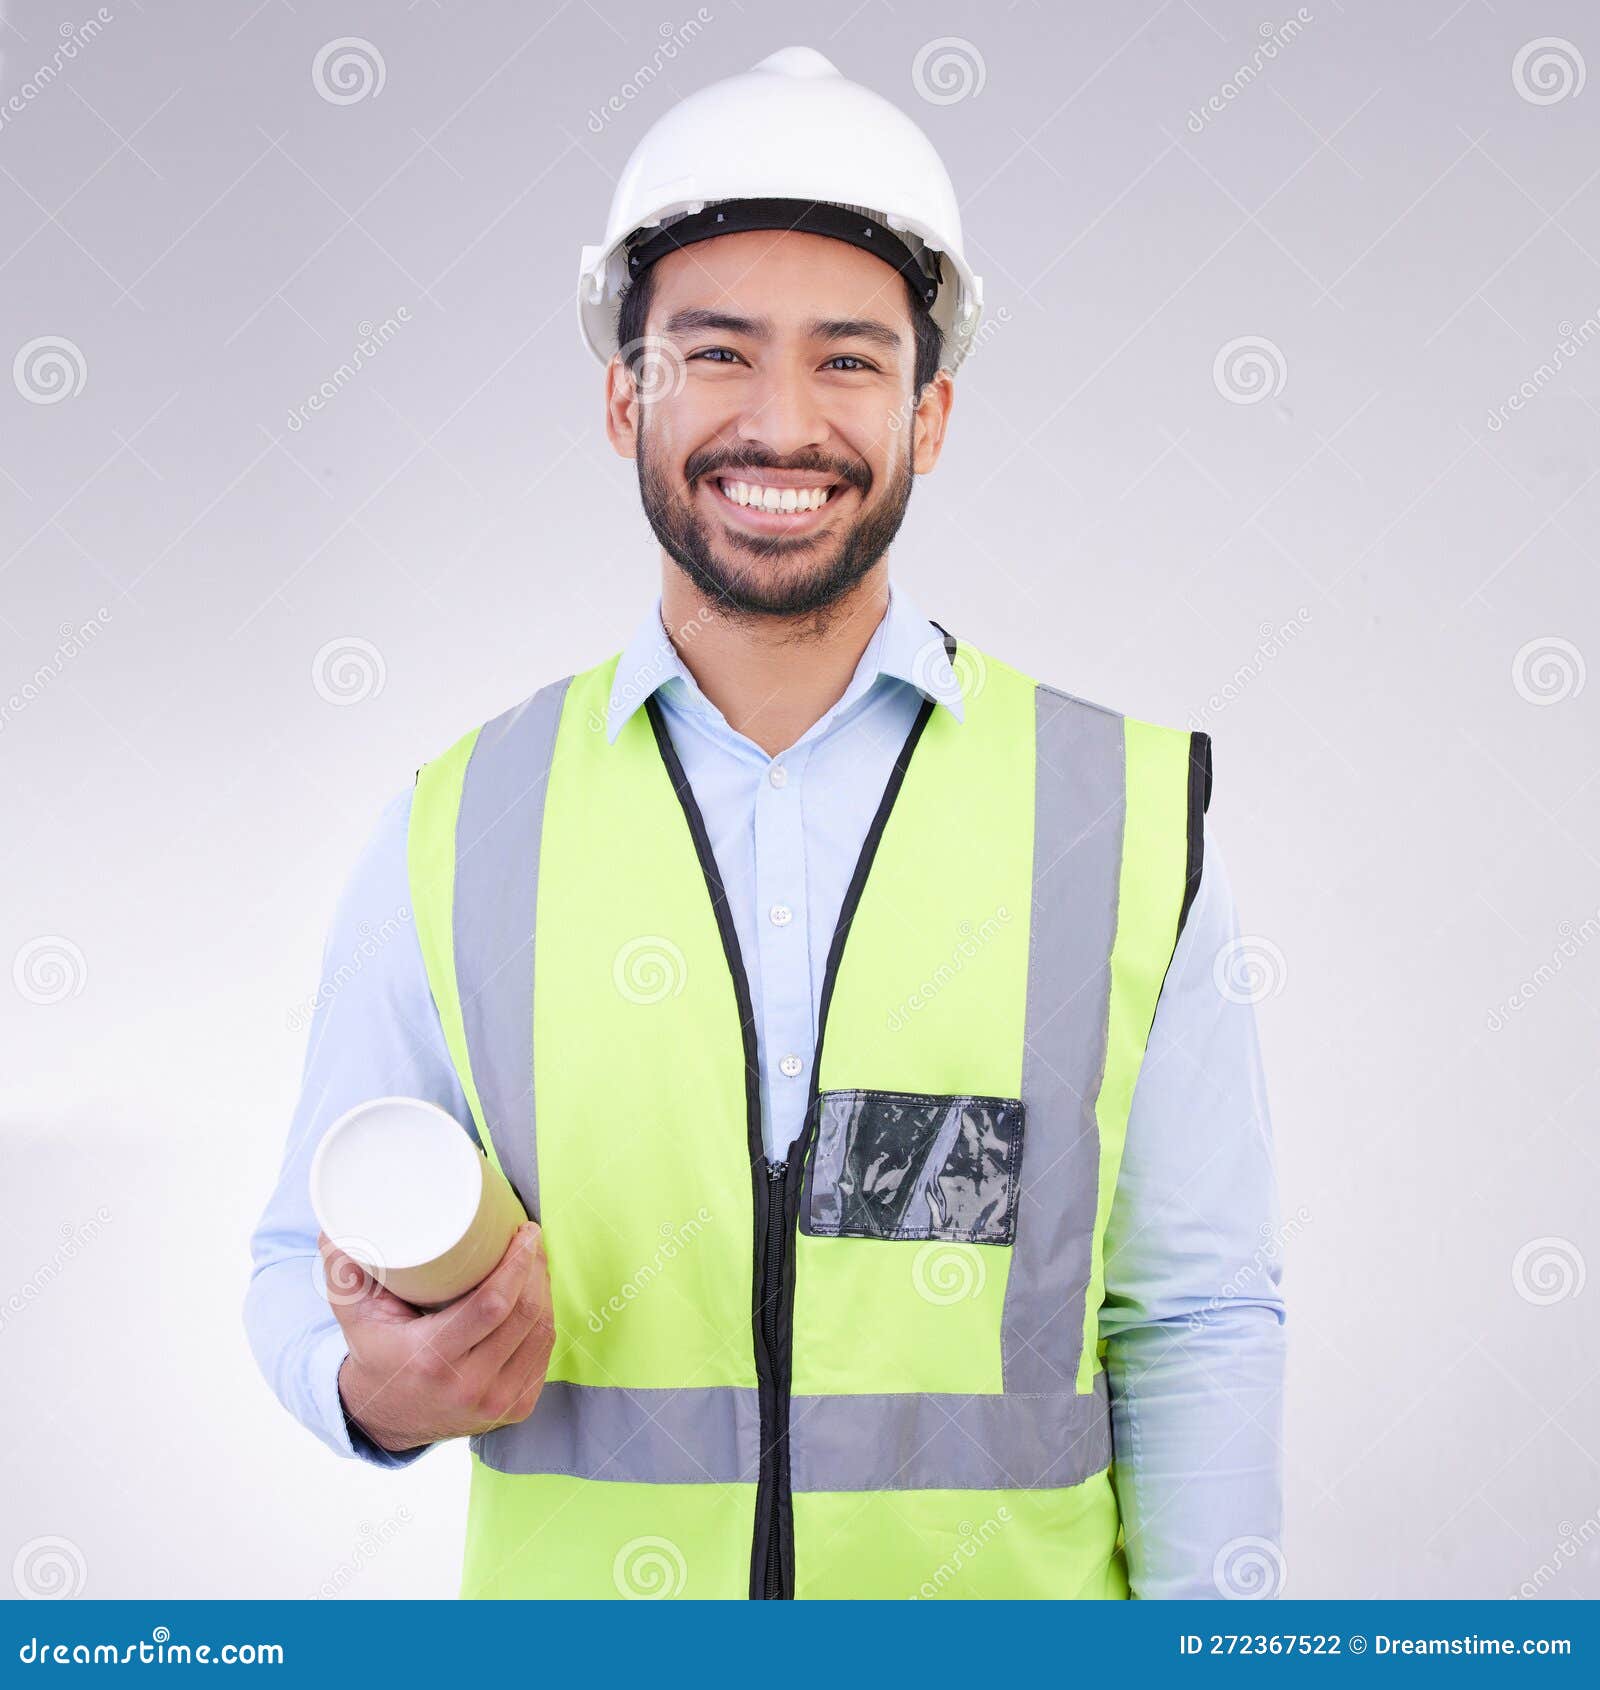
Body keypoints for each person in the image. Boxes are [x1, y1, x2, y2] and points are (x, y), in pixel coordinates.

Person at [246, 45, 1286, 1601]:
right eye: (716, 354)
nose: (781, 422)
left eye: (850, 360)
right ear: (625, 398)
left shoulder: (1120, 817)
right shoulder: (462, 824)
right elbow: (290, 1271)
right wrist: (371, 1393)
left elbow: (1195, 1315)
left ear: (931, 413)